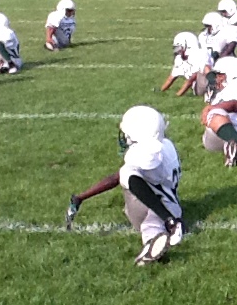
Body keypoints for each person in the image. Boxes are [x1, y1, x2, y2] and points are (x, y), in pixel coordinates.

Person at [65, 105, 185, 266]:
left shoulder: (143, 154)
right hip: (172, 203)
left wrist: (168, 218)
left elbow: (124, 177)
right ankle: (163, 229)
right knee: (130, 176)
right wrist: (82, 197)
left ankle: (152, 241)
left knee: (130, 177)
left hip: (160, 208)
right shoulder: (166, 145)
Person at [161, 31, 213, 96]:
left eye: (179, 47)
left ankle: (215, 87)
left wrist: (178, 94)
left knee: (206, 68)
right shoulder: (179, 59)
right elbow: (171, 78)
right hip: (198, 88)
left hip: (207, 83)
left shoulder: (201, 53)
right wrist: (161, 91)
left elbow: (192, 78)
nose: (177, 50)